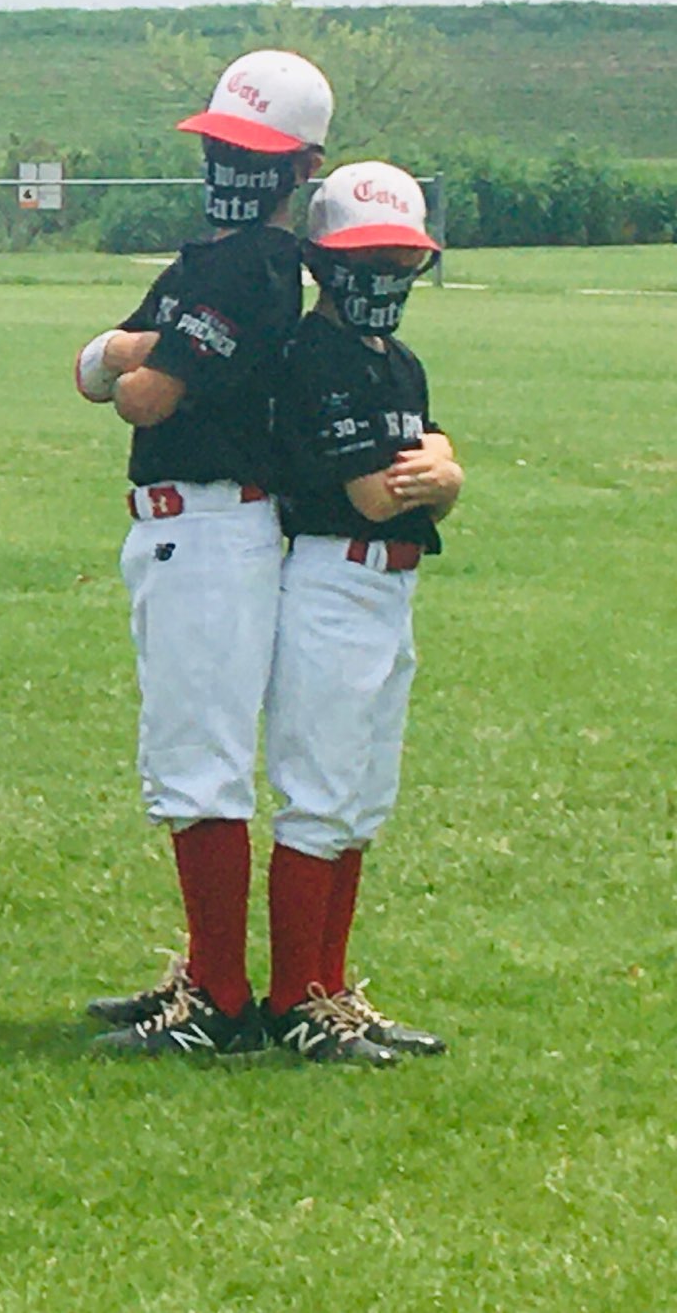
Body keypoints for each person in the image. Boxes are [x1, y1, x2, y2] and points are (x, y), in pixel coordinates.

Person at [71, 50, 332, 1056]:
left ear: (299, 168)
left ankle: (222, 1000)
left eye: (252, 150)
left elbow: (136, 390)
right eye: (223, 142)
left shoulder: (253, 267)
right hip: (188, 523)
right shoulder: (208, 260)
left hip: (214, 520)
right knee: (190, 749)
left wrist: (136, 349)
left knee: (201, 761)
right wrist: (139, 347)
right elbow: (90, 369)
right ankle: (205, 972)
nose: (229, 160)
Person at [256, 160, 460, 1064]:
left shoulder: (397, 361)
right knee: (321, 795)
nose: (382, 277)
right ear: (323, 262)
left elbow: (430, 482)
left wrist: (442, 477)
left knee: (362, 800)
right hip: (334, 578)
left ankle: (332, 992)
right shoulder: (316, 354)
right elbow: (382, 493)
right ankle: (296, 999)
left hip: (390, 587)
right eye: (364, 257)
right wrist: (440, 472)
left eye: (399, 259)